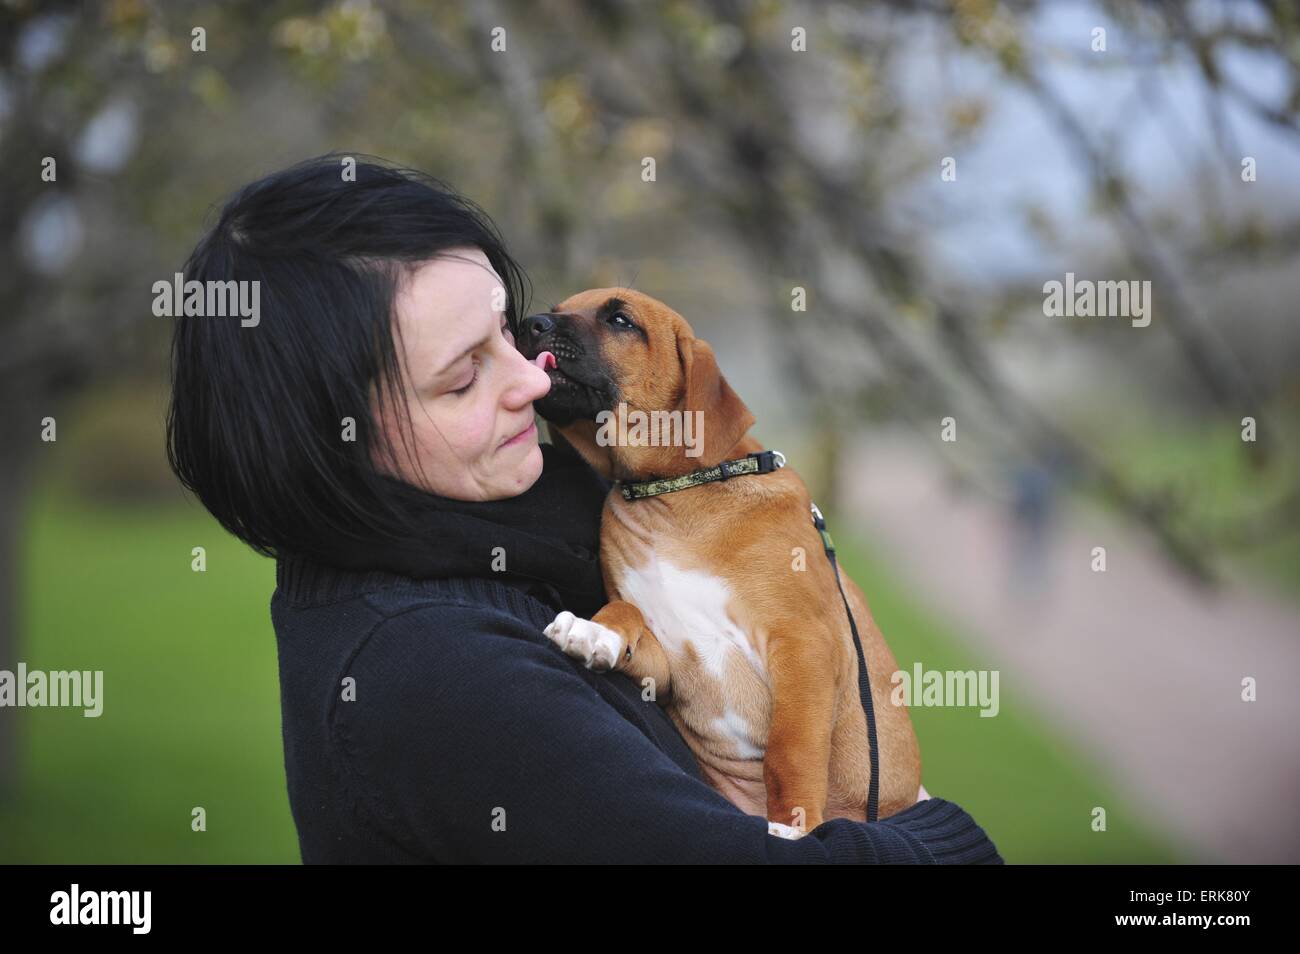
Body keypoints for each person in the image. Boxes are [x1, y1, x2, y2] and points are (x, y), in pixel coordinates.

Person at [166, 154, 1003, 864]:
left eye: (507, 333)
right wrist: (935, 829)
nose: (531, 379)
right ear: (331, 434)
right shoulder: (433, 673)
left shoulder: (554, 524)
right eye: (462, 377)